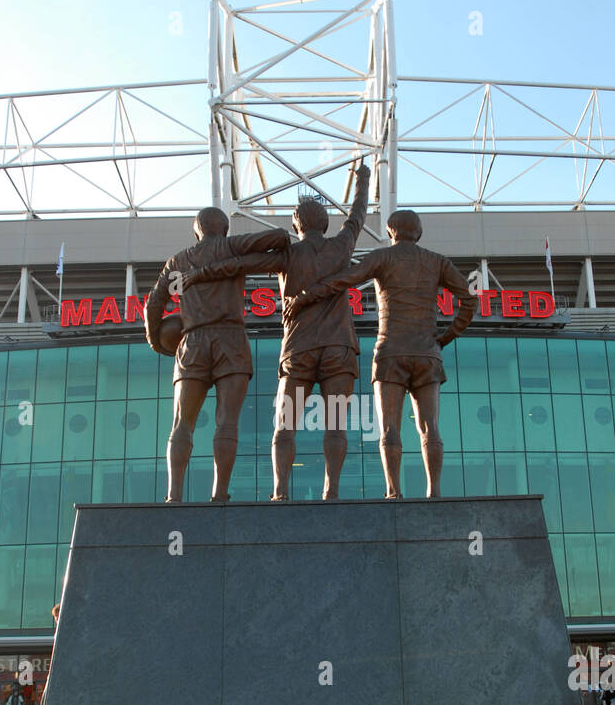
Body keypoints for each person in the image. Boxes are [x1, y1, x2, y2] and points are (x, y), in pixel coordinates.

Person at [176, 162, 372, 500]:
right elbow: (357, 216)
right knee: (336, 422)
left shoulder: (287, 255)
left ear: (296, 224)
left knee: (284, 426)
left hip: (298, 351)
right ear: (325, 224)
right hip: (339, 351)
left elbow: (241, 264)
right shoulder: (342, 245)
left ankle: (280, 492)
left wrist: (202, 273)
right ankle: (332, 491)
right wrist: (364, 180)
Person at [284, 208, 478, 498]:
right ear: (419, 232)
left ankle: (393, 491)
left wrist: (303, 297)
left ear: (390, 233)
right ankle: (434, 492)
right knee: (430, 428)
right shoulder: (437, 262)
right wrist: (445, 337)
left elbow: (342, 280)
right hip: (427, 352)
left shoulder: (382, 257)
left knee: (389, 428)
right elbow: (469, 301)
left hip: (390, 352)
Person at [145, 209, 289, 502]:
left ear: (197, 231)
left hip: (192, 340)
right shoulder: (230, 245)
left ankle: (174, 496)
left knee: (182, 424)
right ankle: (220, 493)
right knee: (227, 422)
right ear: (223, 229)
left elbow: (153, 303)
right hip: (230, 339)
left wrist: (157, 341)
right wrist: (238, 261)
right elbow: (280, 238)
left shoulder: (178, 261)